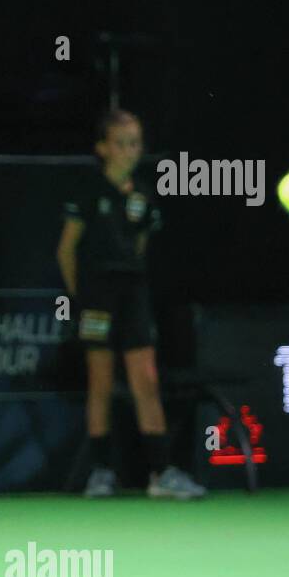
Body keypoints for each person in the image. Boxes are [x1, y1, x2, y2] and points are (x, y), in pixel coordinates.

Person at [56, 109, 206, 499]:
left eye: (135, 143)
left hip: (133, 295)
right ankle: (101, 473)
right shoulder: (88, 193)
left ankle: (160, 474)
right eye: (121, 143)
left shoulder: (143, 195)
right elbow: (66, 251)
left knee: (146, 380)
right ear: (102, 148)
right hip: (97, 298)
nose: (130, 150)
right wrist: (81, 299)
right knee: (101, 382)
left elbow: (138, 249)